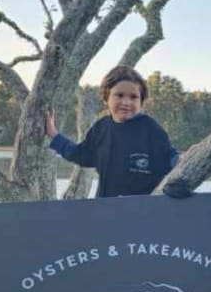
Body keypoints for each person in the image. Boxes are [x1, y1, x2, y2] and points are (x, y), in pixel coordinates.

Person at [44, 65, 178, 197]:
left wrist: (180, 171)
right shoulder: (101, 128)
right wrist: (54, 135)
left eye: (133, 97)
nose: (126, 102)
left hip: (144, 212)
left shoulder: (151, 129)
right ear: (106, 98)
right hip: (106, 210)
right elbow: (79, 154)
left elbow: (170, 160)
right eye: (119, 95)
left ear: (141, 102)